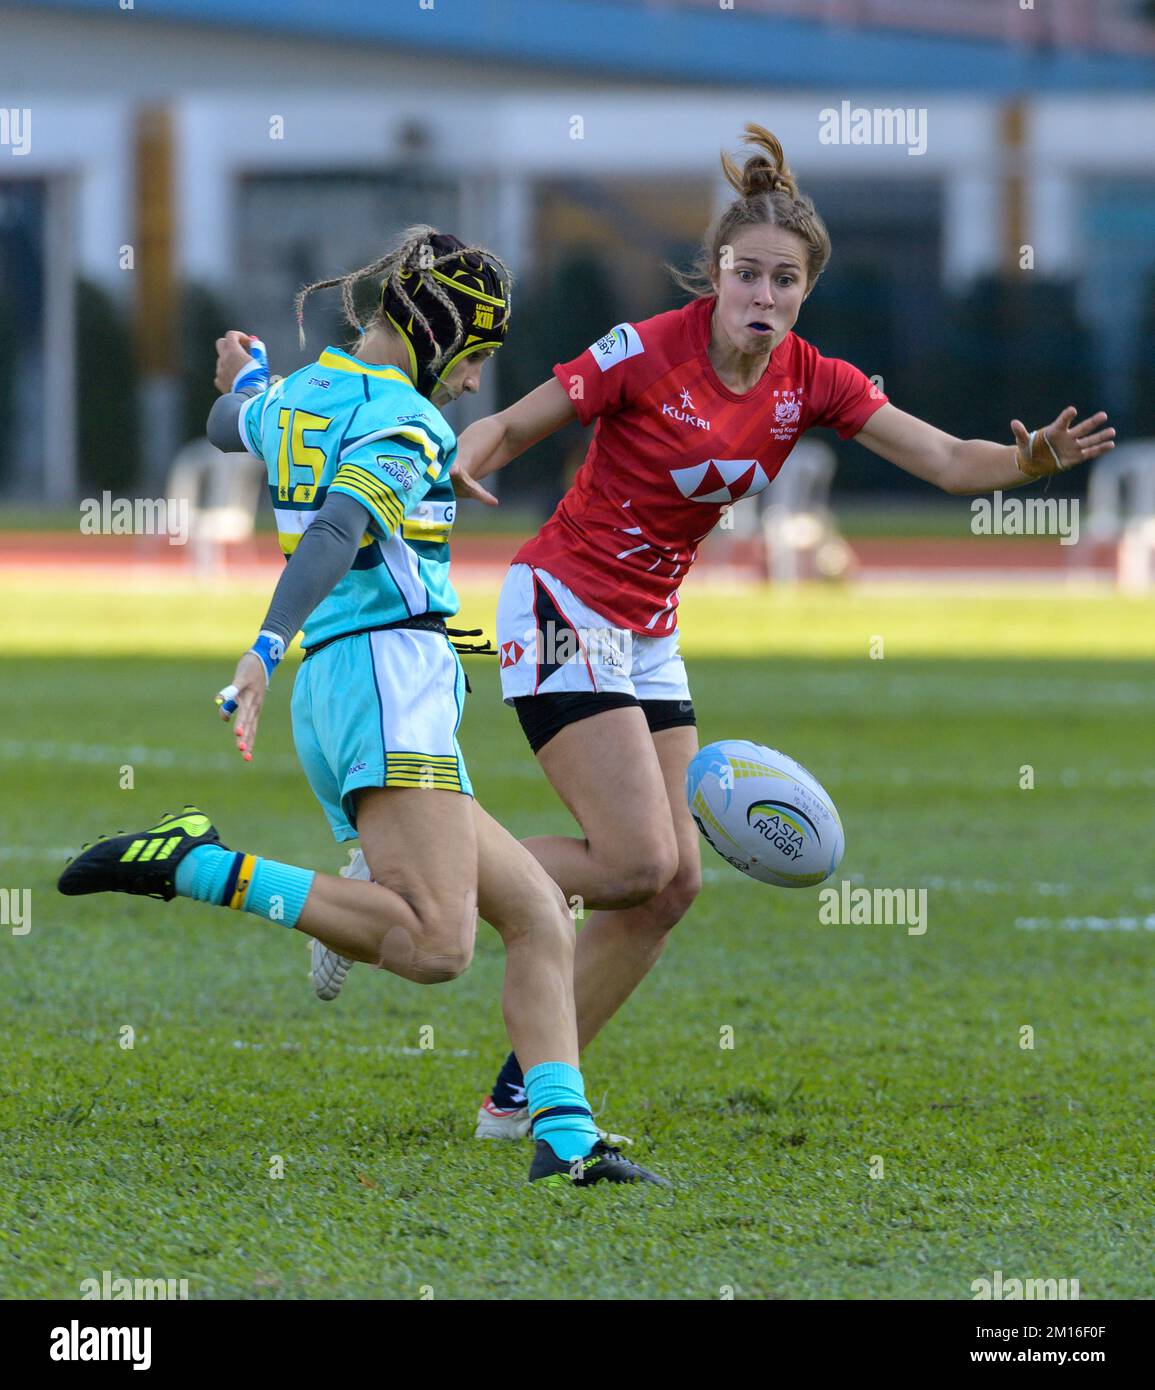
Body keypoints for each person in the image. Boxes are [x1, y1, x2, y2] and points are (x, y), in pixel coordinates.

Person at [316, 128, 1116, 1142]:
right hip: (562, 605)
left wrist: (1032, 462)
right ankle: (405, 877)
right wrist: (463, 453)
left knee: (671, 887)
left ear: (802, 292)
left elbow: (953, 460)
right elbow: (511, 425)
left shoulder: (811, 380)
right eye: (748, 273)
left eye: (785, 280)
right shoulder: (646, 350)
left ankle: (519, 1095)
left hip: (647, 631)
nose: (764, 295)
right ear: (719, 275)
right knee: (637, 859)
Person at [56, 226, 667, 1188]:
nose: (471, 388)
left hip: (353, 688)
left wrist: (244, 376)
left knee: (542, 913)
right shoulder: (405, 421)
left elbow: (232, 425)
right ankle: (200, 865)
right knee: (434, 945)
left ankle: (564, 1135)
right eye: (471, 361)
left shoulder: (303, 393)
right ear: (435, 343)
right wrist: (264, 645)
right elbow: (340, 527)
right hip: (386, 678)